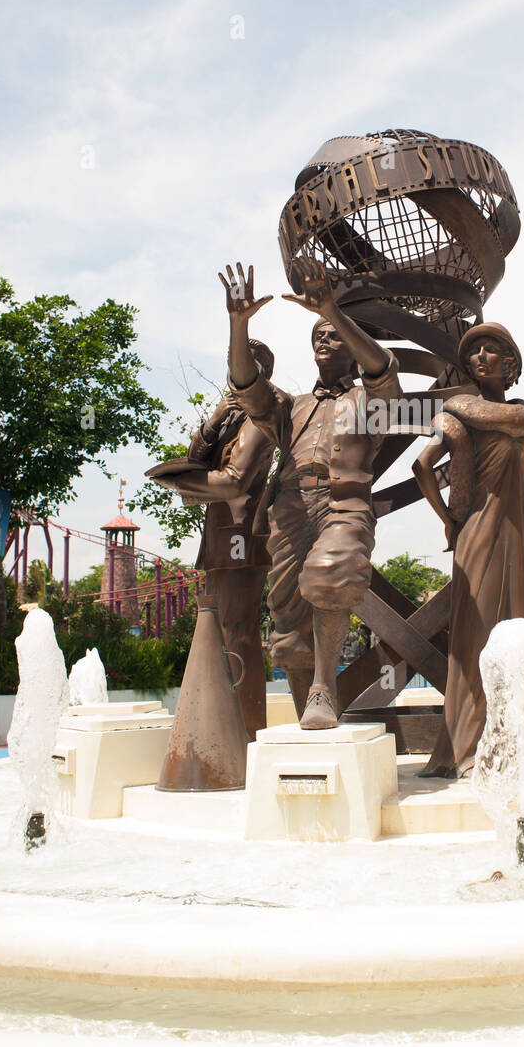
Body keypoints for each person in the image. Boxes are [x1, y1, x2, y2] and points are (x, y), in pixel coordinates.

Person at [217, 258, 402, 731]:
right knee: (287, 618)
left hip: (344, 505)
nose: (323, 337)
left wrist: (332, 310)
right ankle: (312, 713)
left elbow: (383, 370)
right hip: (291, 508)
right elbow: (246, 386)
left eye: (334, 333)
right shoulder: (292, 407)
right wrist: (239, 325)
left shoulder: (368, 401)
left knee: (331, 572)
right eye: (317, 332)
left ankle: (325, 684)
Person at [412, 323, 524, 778]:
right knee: (476, 635)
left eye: (491, 350)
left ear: (509, 363)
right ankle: (467, 746)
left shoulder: (517, 413)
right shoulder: (457, 416)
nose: (479, 357)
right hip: (478, 534)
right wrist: (449, 519)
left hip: (523, 537)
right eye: (474, 351)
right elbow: (421, 467)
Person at [146, 341, 275, 742]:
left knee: (238, 633)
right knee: (220, 631)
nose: (235, 372)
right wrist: (213, 419)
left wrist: (183, 485)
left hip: (242, 539)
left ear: (261, 373)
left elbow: (233, 480)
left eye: (246, 365)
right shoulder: (228, 420)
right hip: (219, 540)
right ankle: (228, 733)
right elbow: (196, 457)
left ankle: (248, 735)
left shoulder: (259, 420)